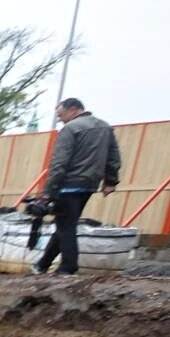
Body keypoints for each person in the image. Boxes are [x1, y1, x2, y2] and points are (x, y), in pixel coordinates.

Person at [35, 98, 121, 275]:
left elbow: (59, 163)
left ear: (74, 109)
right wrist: (110, 181)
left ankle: (68, 267)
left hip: (68, 184)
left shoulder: (70, 129)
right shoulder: (105, 127)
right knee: (64, 224)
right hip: (90, 185)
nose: (60, 119)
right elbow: (113, 157)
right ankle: (42, 265)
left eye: (61, 115)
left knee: (66, 226)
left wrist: (48, 193)